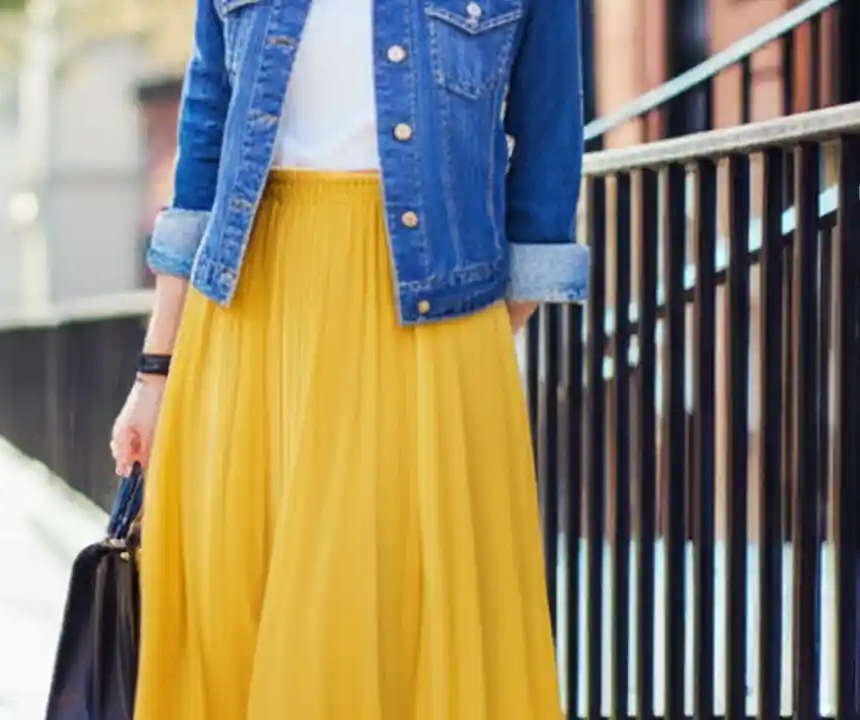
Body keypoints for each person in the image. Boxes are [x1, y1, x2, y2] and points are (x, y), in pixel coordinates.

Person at [109, 0, 587, 717]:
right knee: (239, 617)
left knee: (384, 617)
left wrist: (476, 340)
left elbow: (549, 139)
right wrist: (155, 373)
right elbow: (203, 140)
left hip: (428, 314)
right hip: (247, 314)